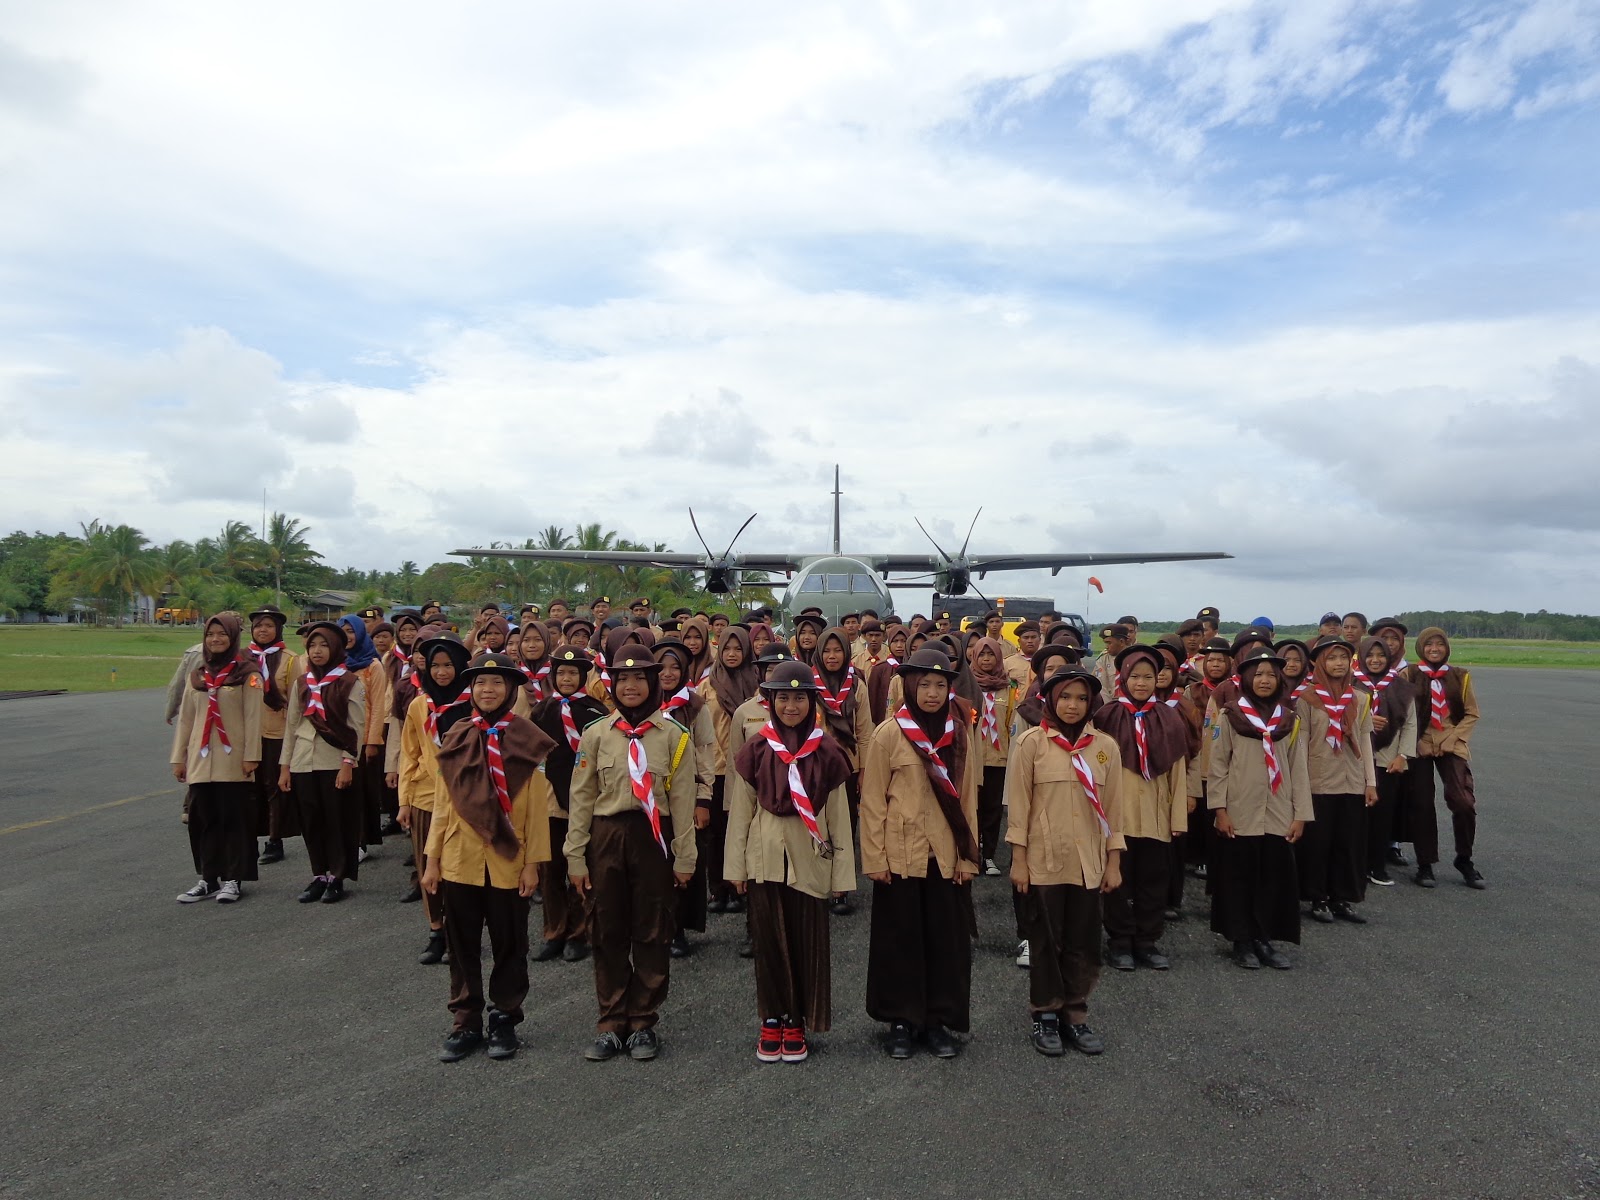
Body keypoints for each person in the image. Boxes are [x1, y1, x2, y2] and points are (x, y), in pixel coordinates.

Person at [565, 644, 698, 1062]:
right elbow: (581, 798)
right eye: (623, 678)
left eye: (640, 677)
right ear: (613, 685)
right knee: (606, 929)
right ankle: (610, 1021)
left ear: (654, 682)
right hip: (606, 837)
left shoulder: (675, 736)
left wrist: (685, 857)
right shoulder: (597, 734)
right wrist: (574, 855)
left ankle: (642, 1020)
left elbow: (682, 803)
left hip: (652, 840)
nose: (631, 685)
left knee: (651, 929)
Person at [424, 651, 555, 1063]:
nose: (488, 689)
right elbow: (444, 804)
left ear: (511, 689)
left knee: (509, 944)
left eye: (497, 683)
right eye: (481, 682)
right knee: (461, 945)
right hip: (459, 858)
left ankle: (504, 1018)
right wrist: (431, 860)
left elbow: (536, 807)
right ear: (471, 688)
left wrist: (533, 863)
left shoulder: (527, 737)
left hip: (509, 859)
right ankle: (466, 1021)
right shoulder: (458, 734)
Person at [725, 660, 857, 1063]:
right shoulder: (757, 749)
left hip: (810, 858)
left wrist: (841, 874)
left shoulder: (828, 751)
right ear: (770, 701)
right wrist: (736, 868)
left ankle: (798, 1020)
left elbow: (838, 817)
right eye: (783, 697)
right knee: (768, 944)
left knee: (806, 943)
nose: (792, 706)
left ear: (812, 702)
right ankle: (771, 1018)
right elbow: (741, 813)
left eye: (800, 697)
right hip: (764, 858)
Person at [860, 648, 980, 1060]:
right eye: (924, 685)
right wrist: (874, 858)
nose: (932, 693)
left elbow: (968, 801)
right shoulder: (888, 734)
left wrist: (968, 857)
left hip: (945, 855)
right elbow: (872, 801)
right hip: (900, 855)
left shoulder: (959, 735)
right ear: (909, 687)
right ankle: (901, 1020)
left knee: (946, 941)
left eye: (940, 685)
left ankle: (938, 1020)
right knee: (900, 939)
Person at [1007, 667, 1124, 1056]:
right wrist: (1018, 861)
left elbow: (1114, 811)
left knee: (1084, 941)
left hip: (1089, 860)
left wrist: (1114, 862)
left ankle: (1076, 1012)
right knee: (1045, 942)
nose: (1072, 705)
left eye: (1081, 698)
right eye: (1065, 697)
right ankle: (1045, 1014)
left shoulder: (1105, 746)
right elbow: (1019, 808)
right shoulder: (1031, 744)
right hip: (1044, 860)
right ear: (1051, 700)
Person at [1207, 643, 1313, 970]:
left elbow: (1298, 768)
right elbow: (1218, 765)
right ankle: (1241, 939)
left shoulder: (1290, 720)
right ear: (1246, 678)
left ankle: (1263, 938)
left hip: (1279, 813)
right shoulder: (1230, 716)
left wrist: (1301, 815)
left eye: (1271, 674)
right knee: (1240, 877)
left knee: (1272, 877)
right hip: (1240, 811)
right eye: (1258, 674)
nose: (1265, 679)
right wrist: (1219, 810)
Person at [1095, 645, 1189, 970]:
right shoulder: (1106, 716)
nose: (1141, 683)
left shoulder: (1168, 717)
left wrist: (1177, 816)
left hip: (1156, 815)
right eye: (1135, 676)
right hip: (1116, 816)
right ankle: (1119, 940)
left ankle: (1147, 940)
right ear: (1123, 678)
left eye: (1148, 677)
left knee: (1153, 880)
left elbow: (1177, 770)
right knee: (1117, 880)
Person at [171, 613, 264, 904]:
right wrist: (178, 757)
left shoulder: (248, 674)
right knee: (203, 820)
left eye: (222, 634)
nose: (216, 639)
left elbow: (253, 719)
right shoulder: (197, 676)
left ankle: (234, 878)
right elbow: (186, 719)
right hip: (200, 761)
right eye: (211, 634)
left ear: (234, 637)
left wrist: (251, 757)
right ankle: (208, 878)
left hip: (233, 760)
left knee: (234, 820)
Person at [525, 646, 610, 964]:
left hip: (584, 800)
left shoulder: (595, 711)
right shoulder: (542, 711)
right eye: (561, 672)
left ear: (583, 676)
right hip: (549, 800)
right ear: (554, 675)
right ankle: (554, 931)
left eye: (573, 673)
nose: (567, 677)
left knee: (582, 867)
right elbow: (530, 755)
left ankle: (579, 933)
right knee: (551, 871)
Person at [279, 621, 367, 904]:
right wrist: (285, 766)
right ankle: (319, 874)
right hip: (303, 761)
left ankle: (338, 877)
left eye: (324, 645)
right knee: (311, 821)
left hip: (334, 761)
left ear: (337, 648)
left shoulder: (349, 682)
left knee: (336, 821)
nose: (317, 651)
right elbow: (291, 725)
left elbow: (357, 729)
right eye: (312, 645)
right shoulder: (302, 683)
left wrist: (347, 763)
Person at [398, 633, 472, 965]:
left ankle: (460, 932)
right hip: (426, 797)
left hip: (467, 797)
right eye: (436, 666)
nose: (442, 672)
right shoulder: (419, 704)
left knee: (459, 868)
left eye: (449, 666)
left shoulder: (473, 703)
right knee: (428, 866)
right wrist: (403, 801)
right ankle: (435, 930)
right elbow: (408, 755)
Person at [1296, 636, 1377, 925]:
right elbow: (1301, 743)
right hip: (1318, 780)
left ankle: (1342, 897)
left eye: (1343, 657)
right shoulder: (1306, 699)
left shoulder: (1360, 698)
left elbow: (1365, 738)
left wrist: (1371, 781)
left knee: (1349, 841)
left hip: (1352, 780)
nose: (1338, 663)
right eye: (1332, 658)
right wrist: (1300, 786)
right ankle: (1317, 897)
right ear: (1319, 662)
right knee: (1319, 842)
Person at [1399, 628, 1485, 889]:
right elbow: (1402, 714)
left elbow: (1471, 713)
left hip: (1451, 742)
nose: (1434, 648)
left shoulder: (1460, 676)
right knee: (1422, 803)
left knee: (1463, 802)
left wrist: (1453, 738)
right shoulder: (1409, 675)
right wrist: (1417, 742)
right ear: (1421, 648)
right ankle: (1425, 864)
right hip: (1421, 744)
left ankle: (1464, 858)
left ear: (1447, 648)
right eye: (1429, 644)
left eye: (1439, 644)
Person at [654, 639, 718, 956]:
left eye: (675, 667)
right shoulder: (640, 701)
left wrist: (703, 798)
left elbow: (706, 754)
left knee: (682, 860)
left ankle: (678, 929)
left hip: (685, 796)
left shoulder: (694, 706)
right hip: (649, 799)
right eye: (661, 667)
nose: (667, 674)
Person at [696, 625, 759, 917]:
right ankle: (718, 889)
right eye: (727, 649)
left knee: (742, 830)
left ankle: (739, 888)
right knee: (715, 834)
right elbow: (698, 730)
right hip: (716, 770)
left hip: (747, 770)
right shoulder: (707, 685)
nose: (732, 654)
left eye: (738, 648)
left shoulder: (757, 682)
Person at [811, 625, 874, 913]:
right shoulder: (808, 683)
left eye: (837, 650)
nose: (832, 656)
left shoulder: (857, 685)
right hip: (814, 764)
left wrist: (863, 771)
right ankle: (817, 881)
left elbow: (864, 731)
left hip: (847, 766)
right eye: (827, 650)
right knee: (816, 825)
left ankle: (841, 887)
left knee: (844, 827)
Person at [1354, 636, 1416, 889]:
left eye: (1381, 655)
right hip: (1357, 760)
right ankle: (1356, 865)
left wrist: (1403, 756)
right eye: (1370, 655)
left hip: (1388, 760)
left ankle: (1376, 866)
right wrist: (1366, 719)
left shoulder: (1401, 687)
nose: (1375, 660)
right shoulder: (1352, 684)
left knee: (1382, 815)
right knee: (1357, 817)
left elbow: (1410, 723)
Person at [245, 606, 298, 866]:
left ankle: (275, 840)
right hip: (247, 733)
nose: (262, 630)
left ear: (278, 629)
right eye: (258, 625)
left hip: (277, 732)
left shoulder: (290, 658)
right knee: (249, 788)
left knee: (274, 786)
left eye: (268, 625)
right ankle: (250, 838)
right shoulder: (243, 657)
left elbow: (299, 699)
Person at [968, 636, 1017, 877]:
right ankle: (971, 852)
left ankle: (988, 855)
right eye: (982, 655)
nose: (986, 660)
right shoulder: (966, 685)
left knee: (993, 808)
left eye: (991, 655)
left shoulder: (1009, 688)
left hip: (998, 759)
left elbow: (1010, 723)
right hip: (971, 758)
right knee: (971, 806)